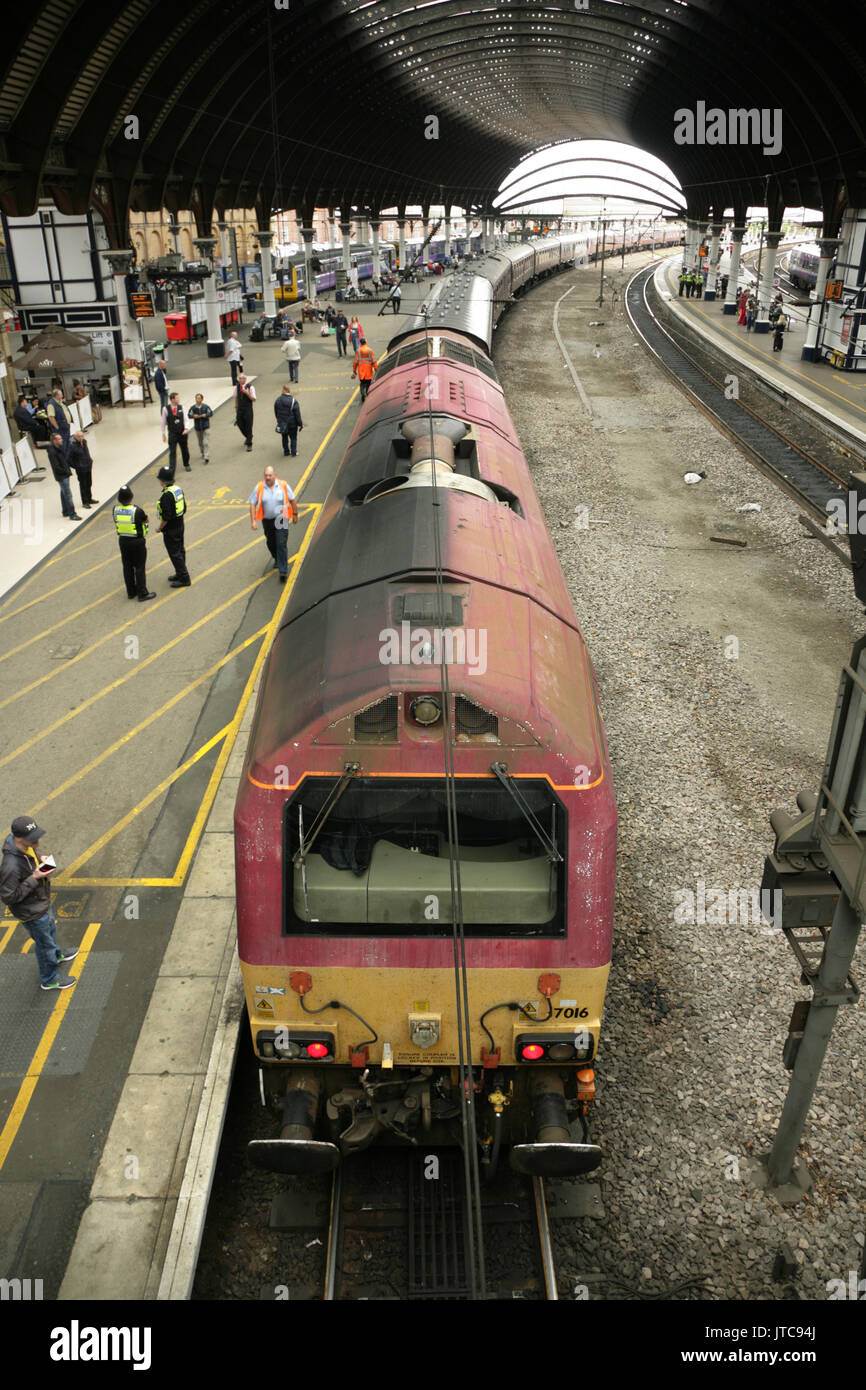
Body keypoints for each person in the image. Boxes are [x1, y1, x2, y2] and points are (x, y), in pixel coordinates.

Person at [0, 817, 77, 991]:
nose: (37, 840)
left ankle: (57, 955)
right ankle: (49, 979)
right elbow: (8, 897)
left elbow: (31, 855)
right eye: (33, 837)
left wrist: (40, 859)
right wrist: (35, 878)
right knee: (44, 946)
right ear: (19, 838)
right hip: (32, 913)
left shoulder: (26, 847)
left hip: (41, 903)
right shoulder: (10, 866)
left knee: (50, 932)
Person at [249, 465, 298, 582]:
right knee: (271, 542)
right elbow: (252, 503)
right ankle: (277, 558)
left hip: (281, 517)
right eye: (266, 475)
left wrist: (295, 514)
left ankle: (283, 571)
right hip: (267, 520)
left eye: (270, 475)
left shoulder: (283, 485)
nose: (268, 477)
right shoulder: (259, 487)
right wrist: (253, 520)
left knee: (281, 543)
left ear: (275, 475)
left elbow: (292, 499)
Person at [114, 485, 155, 601]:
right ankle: (142, 593)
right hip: (137, 542)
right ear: (131, 497)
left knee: (127, 567)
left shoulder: (115, 510)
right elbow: (146, 520)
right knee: (139, 567)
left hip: (123, 541)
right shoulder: (136, 510)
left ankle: (131, 592)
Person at [155, 466, 191, 587]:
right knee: (180, 550)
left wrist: (160, 528)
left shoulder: (166, 495)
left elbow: (166, 517)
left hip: (171, 529)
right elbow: (184, 508)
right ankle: (180, 573)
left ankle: (184, 578)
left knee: (174, 553)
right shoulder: (177, 489)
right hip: (180, 524)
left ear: (163, 481)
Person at [47, 432, 82, 520]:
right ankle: (72, 514)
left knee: (63, 492)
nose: (61, 440)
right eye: (59, 439)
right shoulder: (52, 452)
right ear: (54, 441)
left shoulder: (58, 448)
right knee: (68, 494)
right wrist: (66, 471)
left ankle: (65, 511)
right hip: (62, 476)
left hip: (64, 474)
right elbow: (56, 466)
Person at [162, 391, 191, 476]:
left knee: (184, 449)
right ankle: (172, 470)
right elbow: (163, 422)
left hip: (182, 432)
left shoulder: (182, 407)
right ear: (172, 399)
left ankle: (186, 464)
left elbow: (186, 419)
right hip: (172, 433)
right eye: (177, 398)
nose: (179, 399)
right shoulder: (165, 409)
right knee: (172, 452)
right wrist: (163, 434)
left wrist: (186, 428)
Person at [68, 430, 99, 509]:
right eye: (79, 436)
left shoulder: (84, 442)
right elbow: (68, 459)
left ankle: (89, 498)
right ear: (75, 437)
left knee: (89, 483)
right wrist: (76, 466)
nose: (81, 438)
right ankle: (85, 501)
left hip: (88, 466)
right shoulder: (73, 446)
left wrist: (90, 461)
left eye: (82, 436)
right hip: (81, 469)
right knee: (83, 485)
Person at [273, 384, 303, 458]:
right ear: (289, 391)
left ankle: (286, 451)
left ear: (284, 390)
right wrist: (300, 424)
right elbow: (297, 414)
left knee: (284, 437)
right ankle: (293, 452)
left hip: (283, 424)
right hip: (292, 424)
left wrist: (279, 420)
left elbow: (276, 412)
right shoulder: (293, 401)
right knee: (293, 438)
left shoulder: (278, 400)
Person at [187, 393, 213, 463]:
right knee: (200, 442)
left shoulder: (206, 407)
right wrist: (193, 416)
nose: (198, 400)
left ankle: (206, 456)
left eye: (199, 398)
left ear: (202, 399)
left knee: (206, 442)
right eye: (196, 398)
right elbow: (189, 415)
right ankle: (202, 452)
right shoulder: (193, 408)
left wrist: (206, 415)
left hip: (206, 426)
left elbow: (211, 413)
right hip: (198, 427)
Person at [352, 337, 378, 402]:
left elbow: (355, 362)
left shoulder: (358, 351)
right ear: (366, 342)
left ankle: (362, 393)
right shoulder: (370, 350)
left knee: (362, 383)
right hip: (368, 371)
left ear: (360, 343)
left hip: (361, 371)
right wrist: (376, 369)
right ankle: (367, 393)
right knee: (368, 384)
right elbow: (374, 361)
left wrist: (354, 371)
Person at [235, 374, 256, 451]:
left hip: (248, 409)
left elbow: (254, 399)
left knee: (248, 426)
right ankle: (248, 436)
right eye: (239, 378)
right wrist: (236, 406)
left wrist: (247, 393)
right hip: (240, 409)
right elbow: (236, 396)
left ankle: (249, 444)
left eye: (242, 378)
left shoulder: (250, 387)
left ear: (245, 379)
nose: (240, 380)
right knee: (240, 424)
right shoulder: (237, 386)